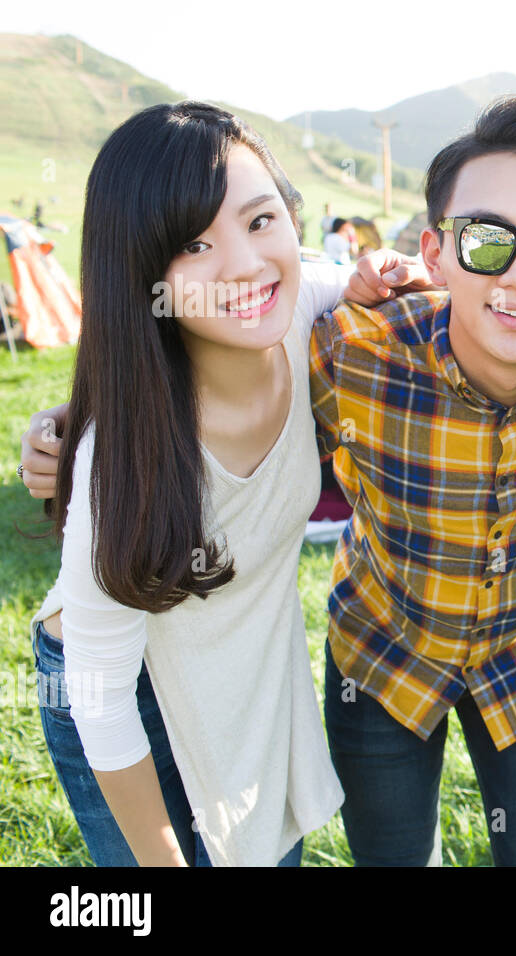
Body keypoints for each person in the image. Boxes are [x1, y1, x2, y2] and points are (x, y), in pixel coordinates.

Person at [306, 95, 516, 866]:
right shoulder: (353, 354)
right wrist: (73, 425)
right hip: (381, 656)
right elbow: (210, 371)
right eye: (489, 240)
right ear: (435, 253)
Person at [25, 101, 348, 866]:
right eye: (195, 243)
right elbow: (99, 698)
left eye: (261, 220)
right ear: (140, 270)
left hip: (239, 665)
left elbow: (444, 291)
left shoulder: (298, 301)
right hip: (119, 693)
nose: (244, 262)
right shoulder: (120, 458)